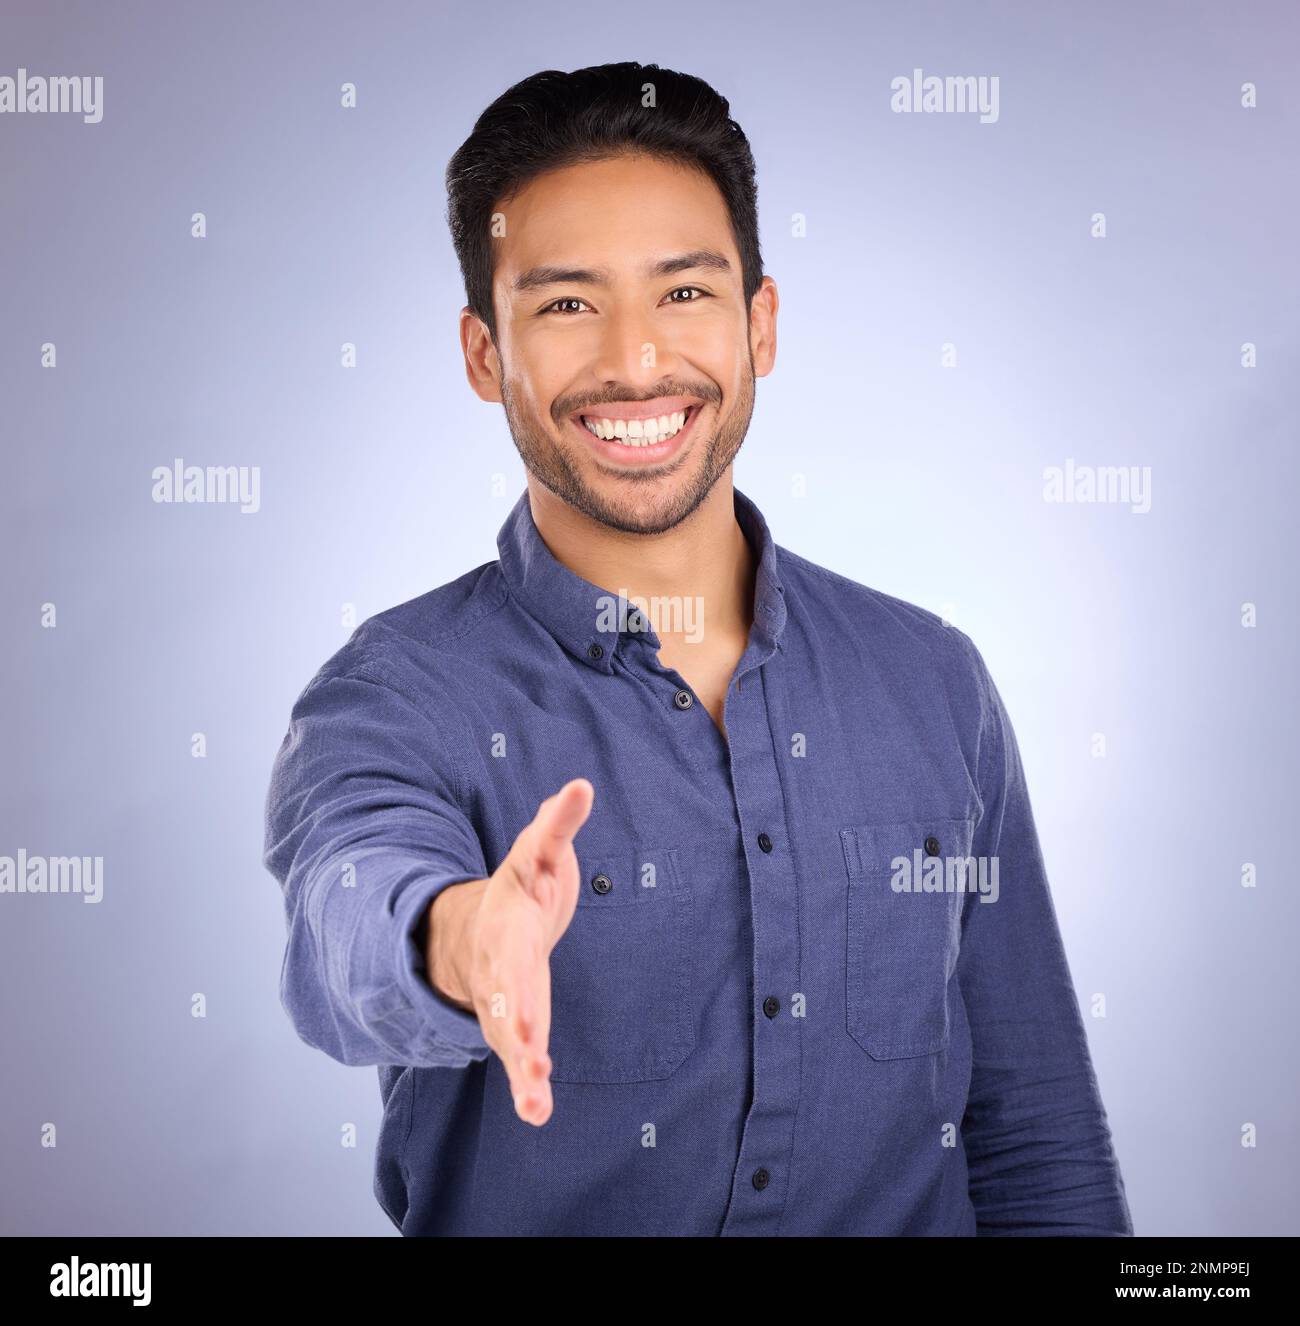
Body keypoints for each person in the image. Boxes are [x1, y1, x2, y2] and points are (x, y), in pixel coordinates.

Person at [263, 61, 1132, 1237]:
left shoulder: (933, 682)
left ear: (759, 324)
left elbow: (1032, 1130)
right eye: (566, 304)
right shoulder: (397, 694)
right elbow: (346, 915)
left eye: (683, 293)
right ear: (483, 355)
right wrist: (461, 939)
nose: (634, 362)